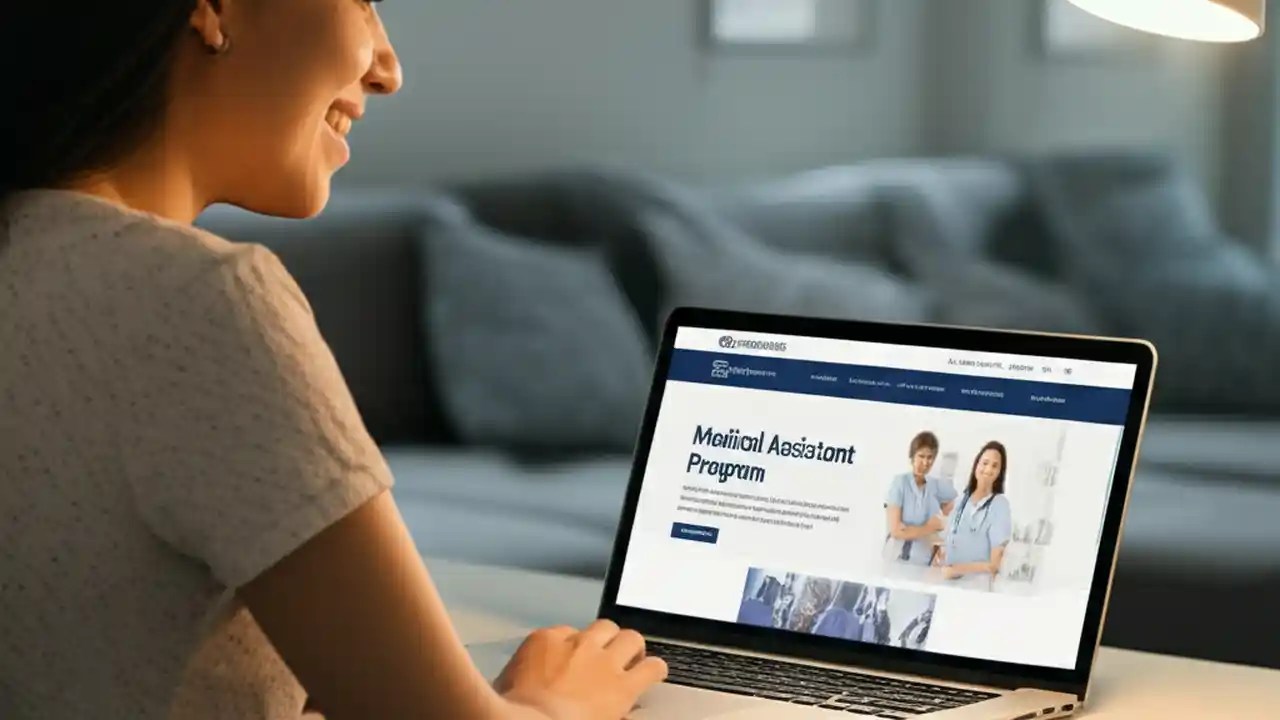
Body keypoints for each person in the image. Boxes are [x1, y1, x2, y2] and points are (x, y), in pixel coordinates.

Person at [0, 2, 665, 719]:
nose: (389, 70)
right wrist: (554, 699)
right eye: (363, 3)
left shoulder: (34, 259)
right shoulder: (200, 297)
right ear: (217, 10)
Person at [937, 442, 1014, 584]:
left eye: (995, 466)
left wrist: (956, 570)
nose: (988, 469)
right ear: (976, 465)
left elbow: (994, 565)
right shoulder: (961, 500)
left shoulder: (1000, 505)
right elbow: (945, 544)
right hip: (948, 583)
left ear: (1000, 473)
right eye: (985, 463)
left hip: (976, 587)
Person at [884, 431, 957, 565]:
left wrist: (942, 516)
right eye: (921, 456)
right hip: (897, 560)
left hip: (923, 561)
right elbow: (895, 531)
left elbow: (957, 499)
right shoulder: (900, 483)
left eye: (930, 458)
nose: (925, 462)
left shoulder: (934, 487)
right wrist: (929, 528)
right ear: (912, 457)